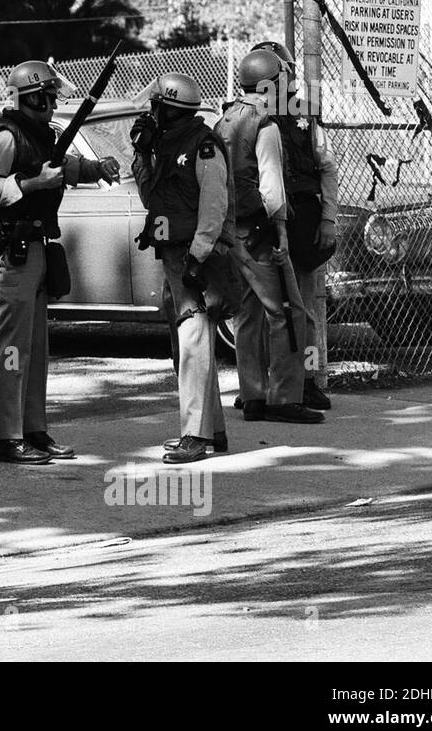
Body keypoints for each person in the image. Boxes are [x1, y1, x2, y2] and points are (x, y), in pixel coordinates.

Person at [0, 60, 121, 465]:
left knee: (35, 349)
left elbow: (61, 165)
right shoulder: (5, 137)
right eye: (47, 98)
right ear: (30, 97)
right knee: (12, 349)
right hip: (10, 251)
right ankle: (5, 437)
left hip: (36, 248)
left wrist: (95, 168)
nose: (52, 105)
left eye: (54, 98)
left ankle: (33, 429)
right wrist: (31, 185)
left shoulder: (41, 135)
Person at [131, 73, 236, 464]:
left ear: (167, 108)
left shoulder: (202, 146)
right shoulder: (166, 144)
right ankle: (214, 430)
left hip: (196, 257)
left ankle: (194, 435)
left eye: (155, 107)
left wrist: (198, 256)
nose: (150, 114)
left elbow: (214, 207)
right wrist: (141, 154)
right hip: (172, 256)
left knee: (194, 342)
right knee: (188, 345)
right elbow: (150, 197)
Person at [216, 49, 323, 424]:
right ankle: (284, 398)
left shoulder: (224, 120)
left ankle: (253, 395)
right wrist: (281, 232)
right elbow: (271, 188)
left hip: (232, 232)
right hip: (261, 233)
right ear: (269, 84)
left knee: (247, 316)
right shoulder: (266, 124)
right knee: (288, 313)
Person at [252, 40, 339, 410]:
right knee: (261, 311)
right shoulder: (250, 115)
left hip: (301, 214)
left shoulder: (305, 116)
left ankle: (306, 381)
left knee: (303, 307)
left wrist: (328, 219)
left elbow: (327, 167)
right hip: (261, 218)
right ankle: (259, 388)